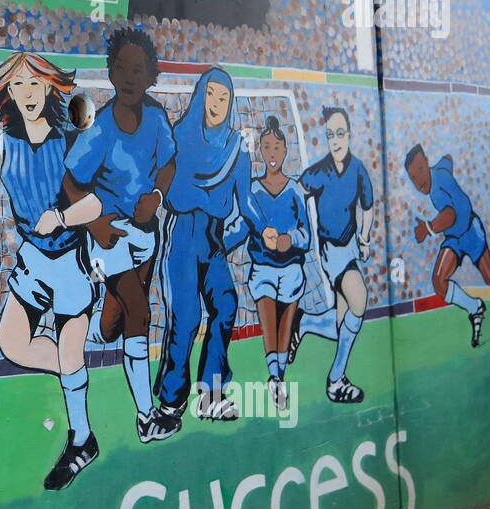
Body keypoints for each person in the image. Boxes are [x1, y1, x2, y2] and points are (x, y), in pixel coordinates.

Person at [0, 52, 103, 490]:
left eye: (35, 83)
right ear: (9, 93)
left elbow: (95, 204)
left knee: (71, 352)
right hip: (33, 259)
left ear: (51, 86)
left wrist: (61, 217)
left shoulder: (71, 141)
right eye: (18, 85)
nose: (27, 93)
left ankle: (82, 439)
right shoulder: (8, 143)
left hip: (70, 257)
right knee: (10, 341)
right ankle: (73, 373)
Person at [65, 28, 178, 443]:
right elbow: (71, 184)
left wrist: (157, 194)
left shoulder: (158, 118)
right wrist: (93, 223)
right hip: (108, 233)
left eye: (138, 69)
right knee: (140, 312)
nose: (129, 76)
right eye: (121, 68)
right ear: (111, 73)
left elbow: (168, 163)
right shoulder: (98, 131)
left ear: (150, 76)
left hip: (146, 230)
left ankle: (92, 326)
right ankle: (147, 418)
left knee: (116, 325)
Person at [154, 67, 256, 426]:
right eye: (210, 94)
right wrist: (211, 202)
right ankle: (170, 401)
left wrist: (241, 234)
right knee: (186, 320)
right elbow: (174, 194)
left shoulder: (235, 148)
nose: (216, 102)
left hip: (213, 242)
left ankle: (211, 393)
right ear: (201, 96)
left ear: (231, 102)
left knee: (226, 304)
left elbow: (246, 205)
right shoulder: (180, 137)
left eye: (223, 96)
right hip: (182, 238)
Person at [292, 107, 374, 403]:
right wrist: (297, 223)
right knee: (359, 297)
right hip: (331, 250)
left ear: (349, 135)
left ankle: (302, 323)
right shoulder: (320, 170)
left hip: (351, 245)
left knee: (343, 322)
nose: (335, 140)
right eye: (330, 135)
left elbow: (368, 206)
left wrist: (364, 238)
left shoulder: (358, 169)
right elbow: (297, 190)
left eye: (340, 134)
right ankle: (336, 379)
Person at [405, 144, 490, 347]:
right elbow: (448, 158)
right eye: (413, 178)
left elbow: (450, 216)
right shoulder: (438, 171)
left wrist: (427, 228)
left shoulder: (439, 186)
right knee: (438, 281)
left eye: (420, 171)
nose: (419, 181)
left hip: (469, 229)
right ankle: (475, 307)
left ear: (426, 161)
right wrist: (447, 162)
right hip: (454, 238)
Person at [243, 116, 310, 410]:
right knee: (268, 320)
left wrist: (289, 239)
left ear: (285, 151)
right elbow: (244, 227)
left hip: (292, 271)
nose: (271, 153)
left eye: (276, 147)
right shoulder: (253, 192)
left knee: (285, 328)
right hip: (263, 269)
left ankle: (280, 374)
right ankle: (274, 377)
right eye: (266, 147)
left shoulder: (295, 190)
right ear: (260, 152)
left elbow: (307, 235)